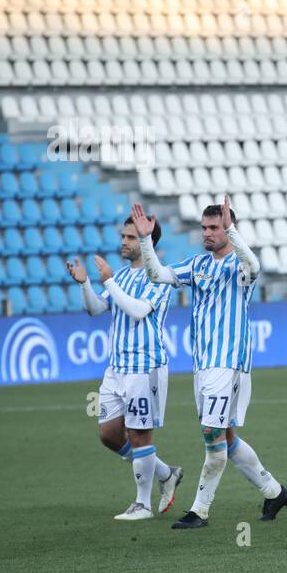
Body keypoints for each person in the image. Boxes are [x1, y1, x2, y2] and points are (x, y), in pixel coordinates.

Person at [131, 198, 287, 529]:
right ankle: (273, 491)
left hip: (228, 361)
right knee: (225, 436)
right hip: (203, 364)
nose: (207, 233)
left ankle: (199, 510)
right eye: (204, 227)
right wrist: (146, 240)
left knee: (212, 434)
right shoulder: (198, 265)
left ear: (229, 229)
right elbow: (157, 275)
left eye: (214, 227)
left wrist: (233, 230)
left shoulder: (239, 265)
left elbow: (256, 266)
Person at [68, 216, 182, 521]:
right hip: (116, 368)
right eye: (123, 236)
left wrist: (107, 282)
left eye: (131, 237)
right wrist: (85, 285)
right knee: (108, 434)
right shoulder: (120, 275)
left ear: (147, 241)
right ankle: (165, 473)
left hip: (144, 366)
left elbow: (137, 311)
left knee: (140, 434)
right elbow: (95, 309)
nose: (124, 242)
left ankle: (142, 504)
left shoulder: (160, 277)